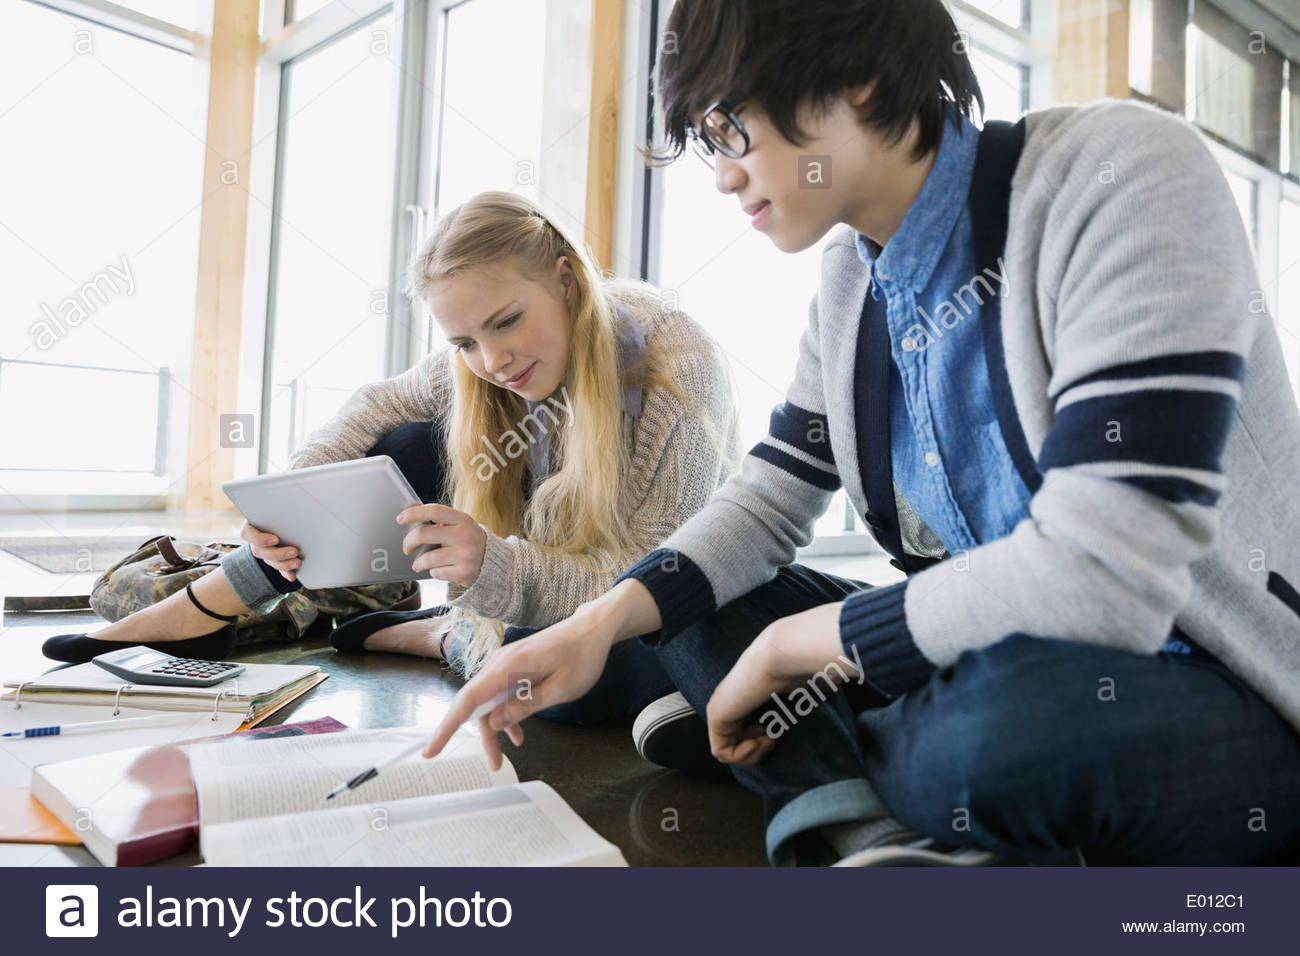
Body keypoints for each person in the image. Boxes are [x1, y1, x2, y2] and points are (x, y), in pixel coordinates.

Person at [420, 0, 1300, 866]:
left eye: (732, 130)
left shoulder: (1120, 175)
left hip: (1206, 685)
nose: (723, 174)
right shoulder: (851, 280)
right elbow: (768, 498)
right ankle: (861, 834)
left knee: (991, 731)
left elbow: (1108, 571)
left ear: (859, 79)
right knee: (686, 598)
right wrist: (596, 626)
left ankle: (839, 747)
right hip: (990, 648)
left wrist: (792, 650)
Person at [46, 190, 739, 728]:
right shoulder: (481, 365)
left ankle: (444, 636)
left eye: (505, 322)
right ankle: (216, 604)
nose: (492, 361)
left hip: (640, 587)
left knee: (554, 680)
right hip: (545, 563)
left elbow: (651, 580)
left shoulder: (675, 366)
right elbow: (375, 403)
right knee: (400, 445)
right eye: (464, 340)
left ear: (566, 281)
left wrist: (498, 569)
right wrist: (292, 494)